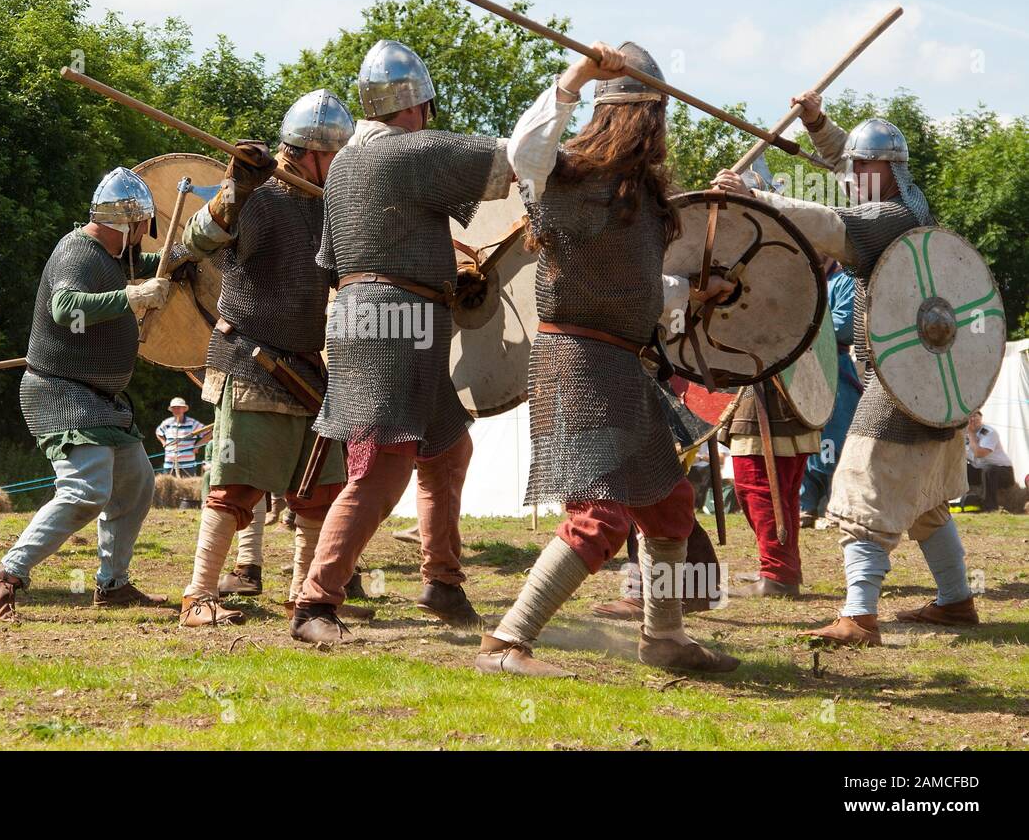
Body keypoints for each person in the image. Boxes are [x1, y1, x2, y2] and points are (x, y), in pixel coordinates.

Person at [474, 41, 741, 677]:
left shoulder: (643, 203)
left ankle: (664, 638)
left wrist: (695, 292)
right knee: (600, 515)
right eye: (658, 119)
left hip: (620, 366)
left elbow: (638, 290)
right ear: (639, 118)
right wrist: (578, 75)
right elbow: (523, 154)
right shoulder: (566, 180)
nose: (662, 134)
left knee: (669, 502)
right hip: (576, 360)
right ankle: (508, 641)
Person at [712, 92, 978, 644]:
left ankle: (859, 614)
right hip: (929, 378)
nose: (853, 174)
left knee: (857, 485)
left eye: (864, 167)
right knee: (926, 499)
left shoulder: (888, 218)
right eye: (854, 166)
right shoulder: (906, 205)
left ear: (888, 170)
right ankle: (956, 600)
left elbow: (830, 224)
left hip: (898, 381)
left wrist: (756, 197)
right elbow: (842, 175)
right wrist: (818, 123)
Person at [289, 41, 515, 645]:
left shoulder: (344, 167)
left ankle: (442, 581)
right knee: (385, 471)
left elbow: (331, 261)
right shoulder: (410, 152)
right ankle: (315, 604)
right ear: (418, 104)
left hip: (387, 318)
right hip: (393, 324)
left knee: (447, 451)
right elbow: (514, 163)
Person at [174, 90, 355, 628]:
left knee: (320, 490)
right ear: (310, 152)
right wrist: (235, 191)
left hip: (306, 365)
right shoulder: (262, 198)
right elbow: (193, 242)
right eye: (334, 156)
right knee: (237, 485)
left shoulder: (325, 208)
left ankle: (304, 595)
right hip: (253, 360)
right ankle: (198, 596)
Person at [0, 167, 173, 621]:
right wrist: (133, 298)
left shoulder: (114, 256)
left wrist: (204, 237)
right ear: (125, 222)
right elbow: (65, 309)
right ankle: (6, 573)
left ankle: (113, 584)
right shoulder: (77, 251)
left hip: (101, 401)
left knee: (136, 485)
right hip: (62, 392)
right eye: (142, 225)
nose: (144, 236)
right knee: (86, 490)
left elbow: (163, 261)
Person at [719, 381, 816, 597]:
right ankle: (785, 569)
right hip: (794, 400)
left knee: (759, 490)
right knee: (784, 496)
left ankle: (777, 575)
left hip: (769, 404)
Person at [800, 256, 863, 526]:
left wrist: (805, 328)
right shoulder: (803, 282)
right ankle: (806, 504)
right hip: (802, 370)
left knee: (835, 437)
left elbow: (845, 325)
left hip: (834, 368)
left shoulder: (845, 281)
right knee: (803, 437)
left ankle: (834, 503)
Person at [965, 410, 1014, 511]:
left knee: (990, 470)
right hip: (980, 470)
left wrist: (971, 434)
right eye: (969, 417)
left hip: (1003, 472)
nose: (972, 419)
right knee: (962, 469)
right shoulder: (961, 434)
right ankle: (967, 501)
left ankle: (990, 507)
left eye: (975, 416)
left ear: (981, 417)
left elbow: (979, 453)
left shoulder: (989, 432)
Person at [155, 397, 207, 477]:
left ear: (184, 409)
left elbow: (209, 433)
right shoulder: (167, 423)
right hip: (169, 464)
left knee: (188, 488)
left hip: (188, 465)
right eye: (174, 408)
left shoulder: (192, 423)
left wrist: (198, 446)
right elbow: (158, 432)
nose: (176, 410)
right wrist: (163, 442)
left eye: (178, 408)